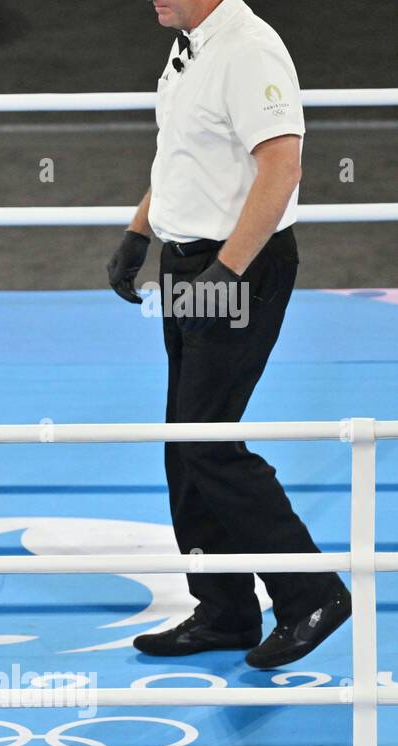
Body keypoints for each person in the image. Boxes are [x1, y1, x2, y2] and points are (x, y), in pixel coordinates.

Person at [108, 0, 350, 669]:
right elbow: (182, 154)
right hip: (190, 260)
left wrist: (226, 273)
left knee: (208, 441)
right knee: (184, 442)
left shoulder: (248, 48)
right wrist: (139, 230)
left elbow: (281, 168)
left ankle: (312, 594)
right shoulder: (191, 42)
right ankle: (224, 609)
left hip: (239, 262)